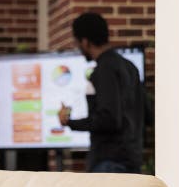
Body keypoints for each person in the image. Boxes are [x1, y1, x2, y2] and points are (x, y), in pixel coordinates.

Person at [58, 12, 148, 173]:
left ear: (85, 42)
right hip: (132, 160)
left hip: (109, 162)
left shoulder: (104, 69)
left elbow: (109, 118)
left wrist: (70, 122)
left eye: (77, 42)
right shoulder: (130, 67)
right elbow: (146, 112)